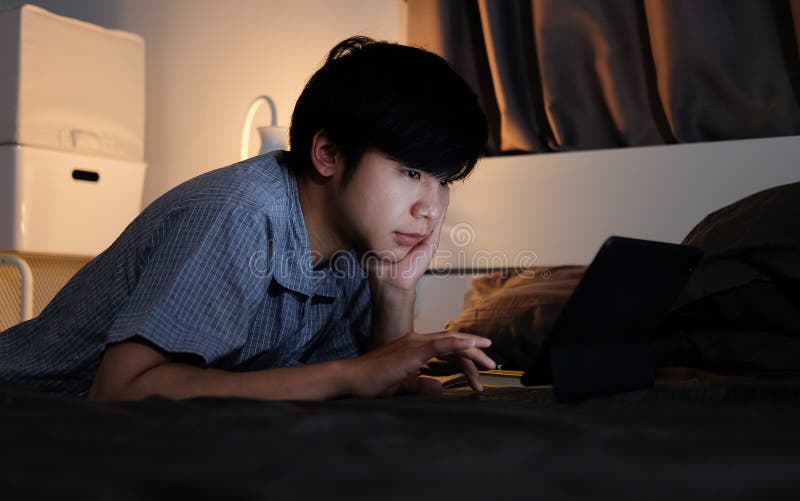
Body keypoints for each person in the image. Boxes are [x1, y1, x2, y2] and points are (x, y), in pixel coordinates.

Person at [0, 36, 493, 400]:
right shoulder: (239, 214)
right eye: (410, 171)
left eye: (443, 180)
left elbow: (378, 388)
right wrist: (349, 375)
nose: (430, 208)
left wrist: (395, 291)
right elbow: (121, 392)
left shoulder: (361, 242)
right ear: (327, 152)